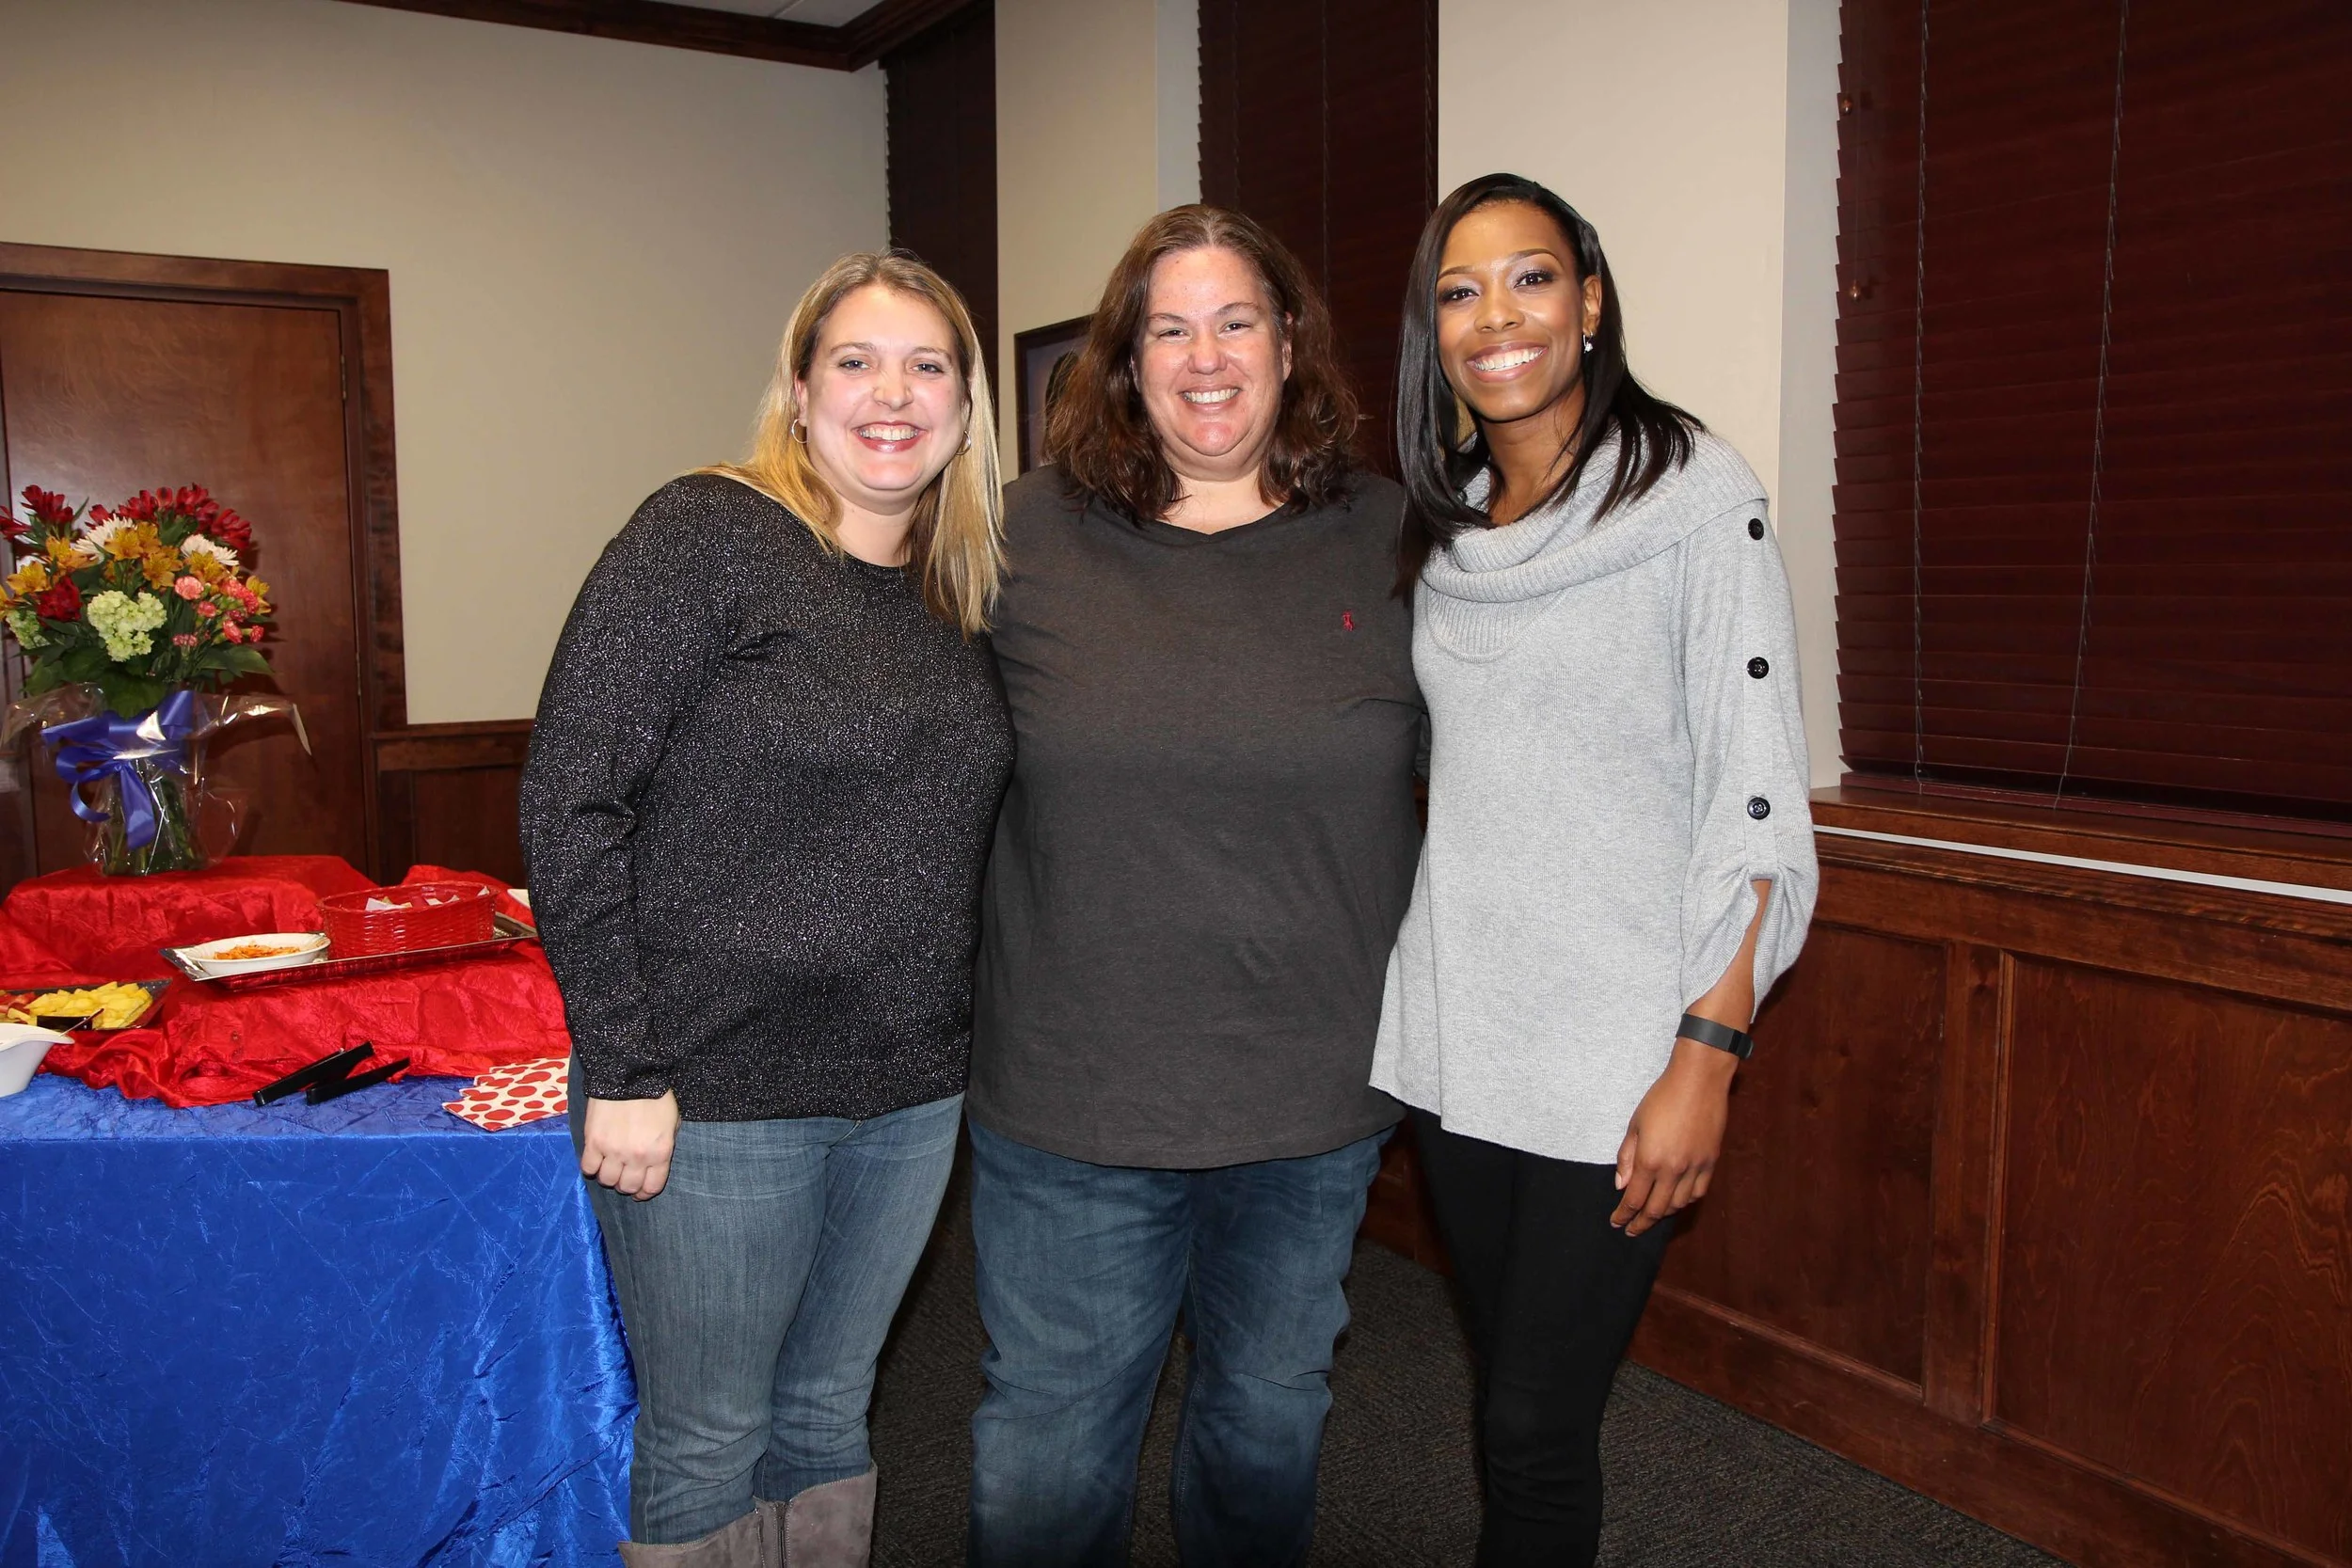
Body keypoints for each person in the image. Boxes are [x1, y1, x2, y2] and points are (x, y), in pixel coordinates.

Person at [520, 251, 1011, 1568]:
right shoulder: (707, 534)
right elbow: (572, 800)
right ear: (799, 392)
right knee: (709, 1433)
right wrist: (623, 1063)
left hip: (909, 1093)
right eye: (856, 360)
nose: (892, 394)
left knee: (827, 1411)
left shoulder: (954, 596)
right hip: (711, 1091)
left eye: (928, 366)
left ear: (966, 410)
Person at [965, 205, 1424, 1568]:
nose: (1206, 357)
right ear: (1125, 358)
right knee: (1046, 1455)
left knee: (1266, 1437)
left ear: (1290, 346)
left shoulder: (1395, 541)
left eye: (1237, 322)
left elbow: (1505, 782)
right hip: (1071, 1101)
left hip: (1311, 1099)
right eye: (1170, 327)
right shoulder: (1018, 542)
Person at [1371, 172, 1819, 1566]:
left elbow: (1756, 793)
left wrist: (1710, 1050)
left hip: (1623, 1054)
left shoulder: (1695, 496)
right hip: (1462, 1044)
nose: (1495, 314)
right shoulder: (1440, 538)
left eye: (1530, 277)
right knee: (1511, 1397)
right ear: (1431, 330)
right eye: (1460, 289)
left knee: (1533, 1426)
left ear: (1590, 300)